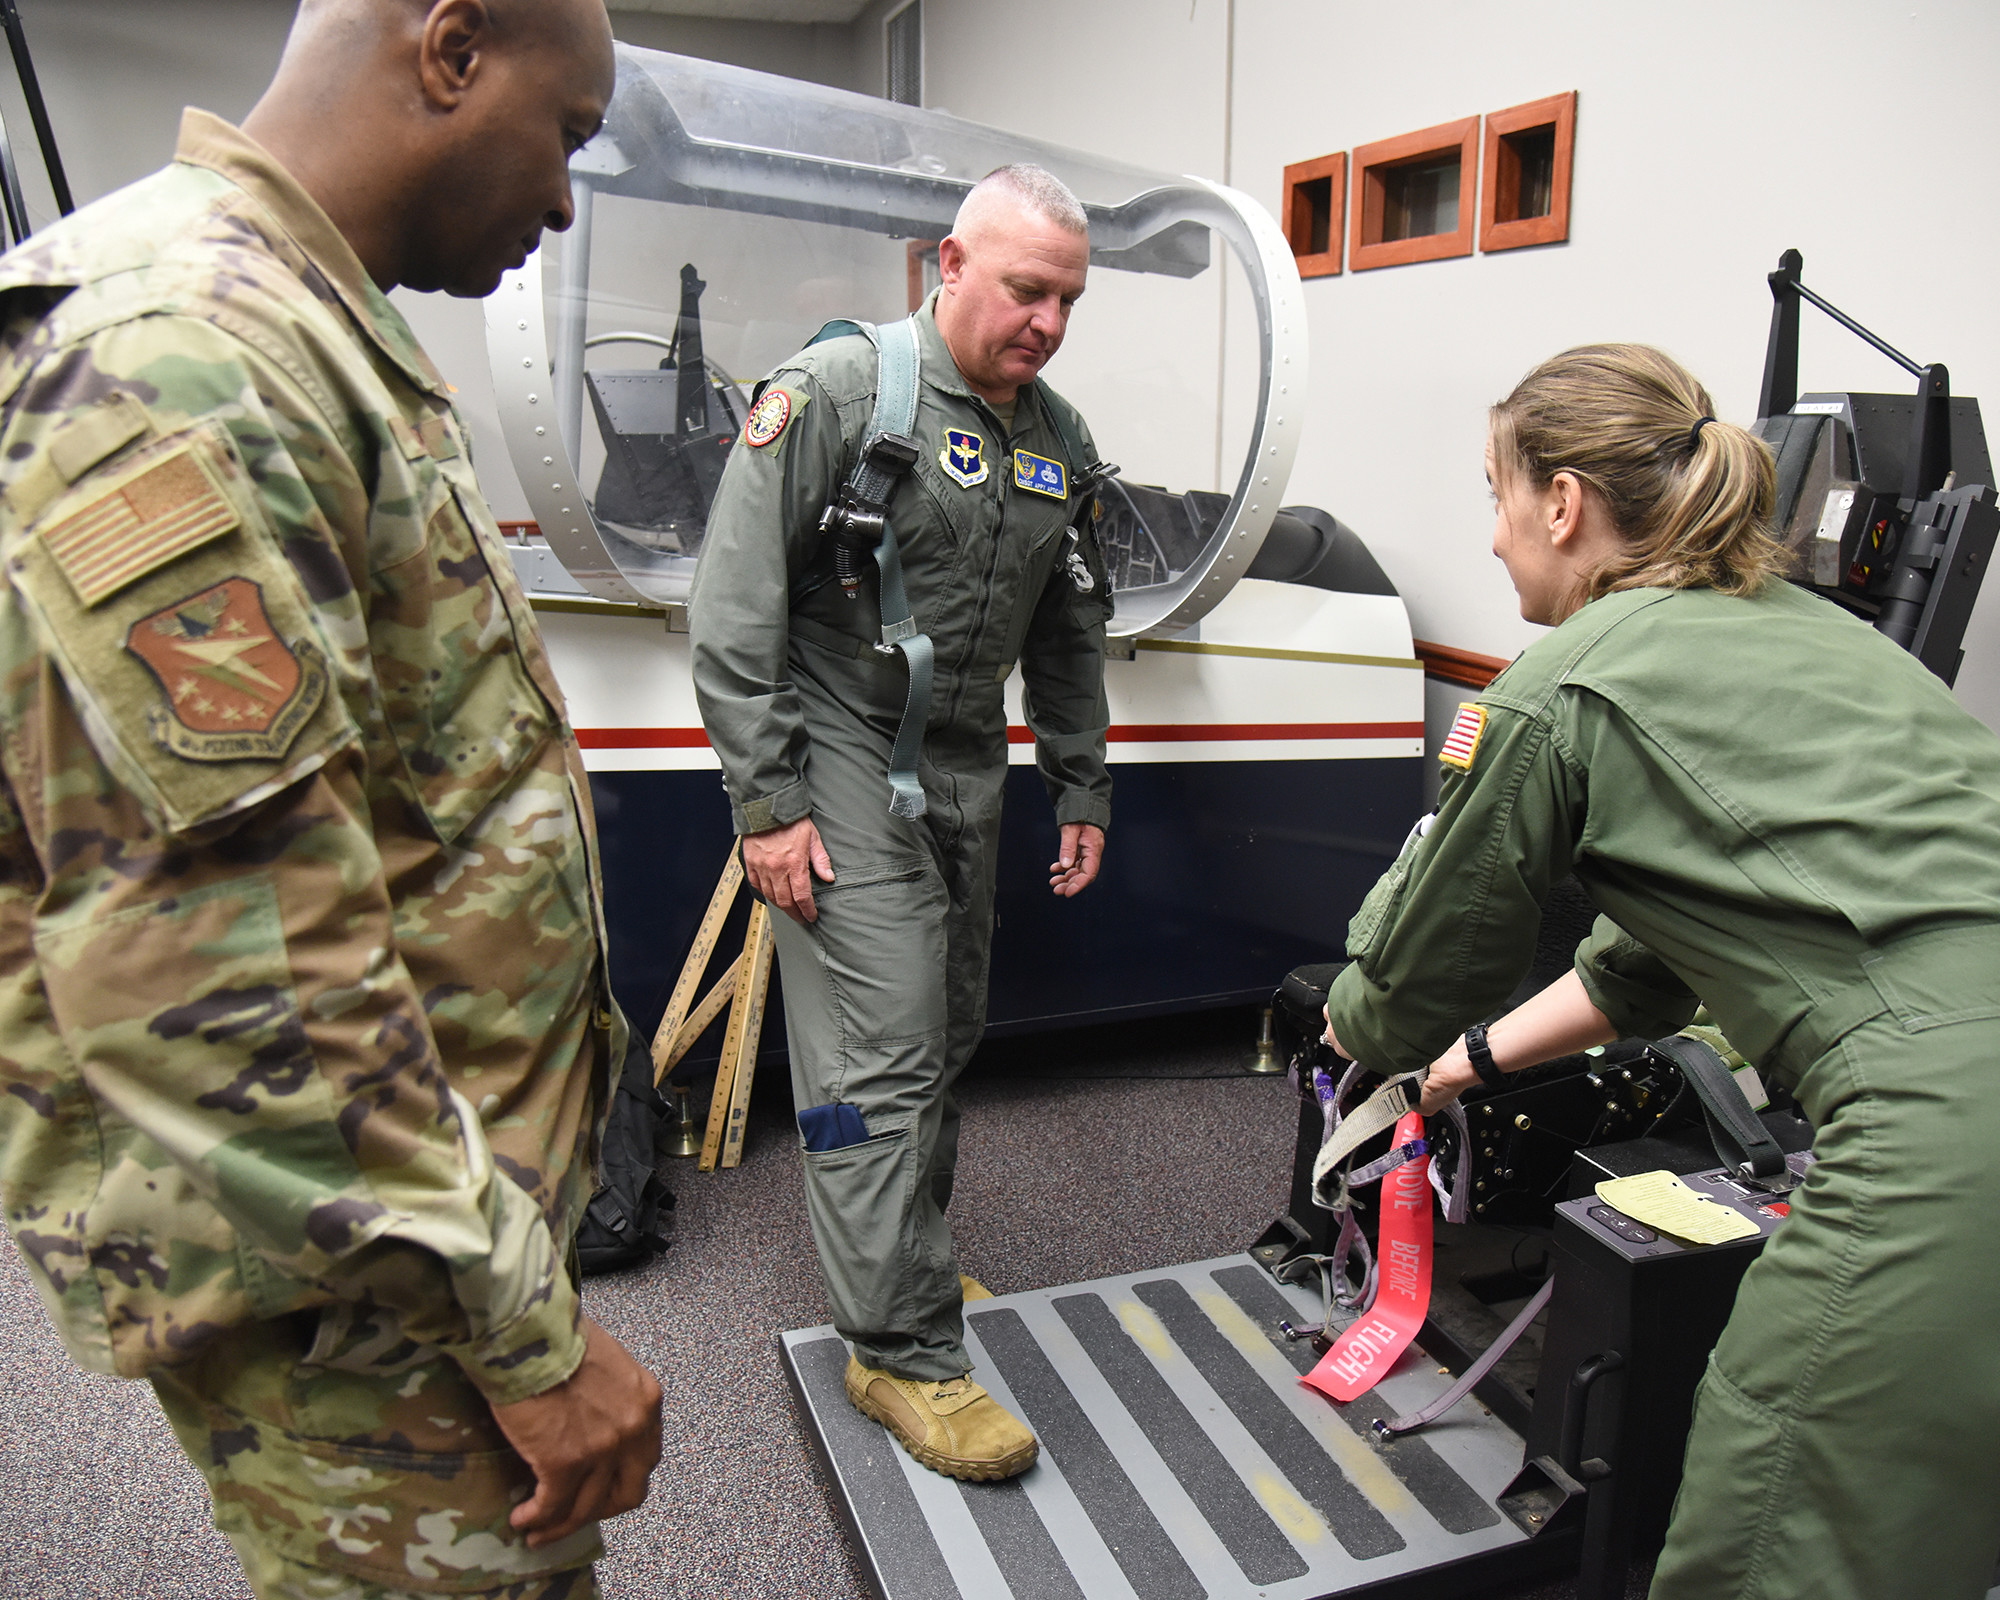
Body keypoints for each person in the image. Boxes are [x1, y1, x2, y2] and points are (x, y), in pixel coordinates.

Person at [0, 3, 663, 1595]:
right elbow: (226, 974)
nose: (567, 201)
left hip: (410, 1219)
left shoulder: (302, 325)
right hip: (355, 1276)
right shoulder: (181, 353)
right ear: (450, 52)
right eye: (567, 136)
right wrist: (522, 1331)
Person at [1321, 343, 2000, 1600]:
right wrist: (1459, 1072)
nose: (1489, 537)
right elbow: (1642, 970)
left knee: (1765, 1542)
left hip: (1948, 1133)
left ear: (1562, 503)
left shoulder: (1552, 687)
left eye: (1494, 494)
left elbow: (1398, 989)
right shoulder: (1814, 637)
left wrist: (1363, 1019)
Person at [689, 165, 1113, 1482]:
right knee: (879, 1057)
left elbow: (1069, 627)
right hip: (839, 756)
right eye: (1025, 289)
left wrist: (1084, 782)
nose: (1045, 321)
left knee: (939, 1031)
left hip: (969, 766)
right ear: (950, 264)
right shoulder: (834, 397)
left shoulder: (1056, 439)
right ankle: (897, 1348)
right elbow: (735, 610)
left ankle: (899, 1263)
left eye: (1067, 300)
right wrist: (767, 806)